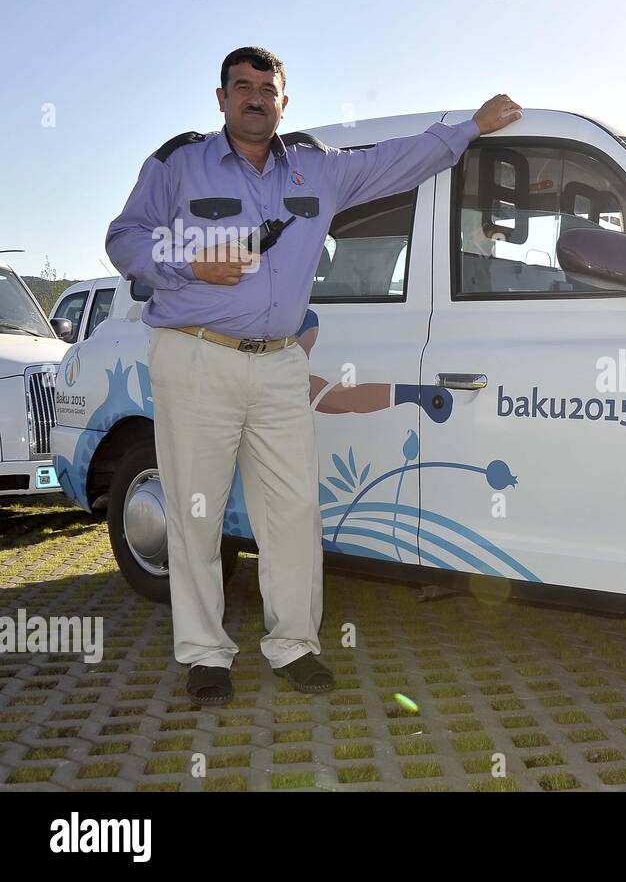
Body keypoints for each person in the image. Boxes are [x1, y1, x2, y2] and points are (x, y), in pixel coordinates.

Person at [105, 45, 520, 705]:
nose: (255, 97)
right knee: (195, 512)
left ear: (283, 101)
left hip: (279, 360)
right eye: (242, 86)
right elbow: (124, 237)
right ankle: (205, 654)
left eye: (266, 88)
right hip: (196, 355)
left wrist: (471, 126)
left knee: (295, 512)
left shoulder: (317, 167)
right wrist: (188, 262)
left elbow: (396, 160)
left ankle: (294, 646)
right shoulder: (178, 163)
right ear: (221, 98)